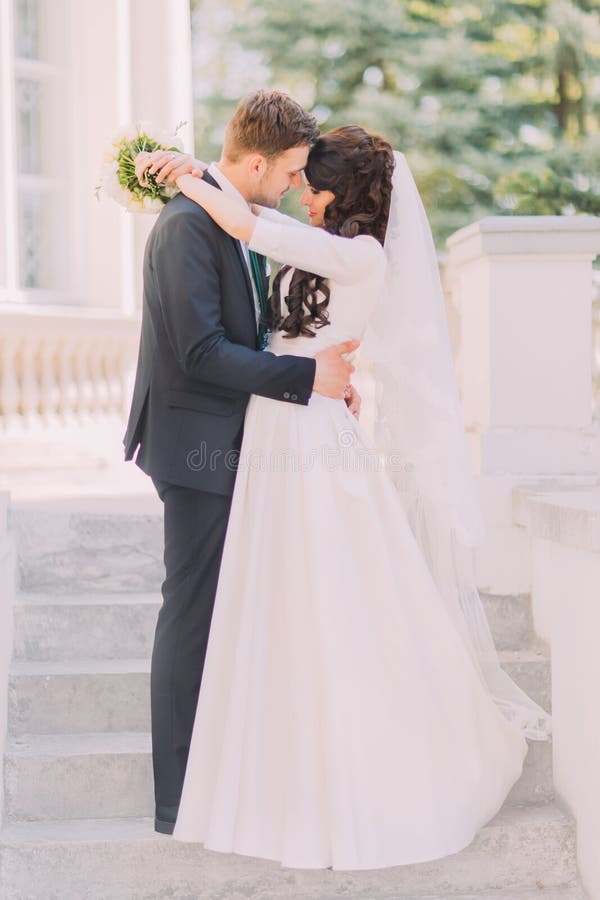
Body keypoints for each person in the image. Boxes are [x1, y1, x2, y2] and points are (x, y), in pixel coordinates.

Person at [138, 123, 552, 870]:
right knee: (275, 594)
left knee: (328, 593)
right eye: (296, 179)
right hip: (279, 420)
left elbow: (244, 221)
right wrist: (198, 170)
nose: (300, 192)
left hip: (310, 433)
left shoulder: (362, 256)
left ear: (342, 192)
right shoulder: (319, 242)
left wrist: (186, 174)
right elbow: (252, 221)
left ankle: (352, 764)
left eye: (311, 184)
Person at [124, 90, 363, 836]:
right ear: (257, 163)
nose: (295, 185)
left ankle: (221, 777)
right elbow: (201, 352)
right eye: (290, 171)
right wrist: (307, 379)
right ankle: (176, 799)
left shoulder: (222, 212)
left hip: (233, 443)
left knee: (227, 613)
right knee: (192, 615)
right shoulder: (184, 228)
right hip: (195, 449)